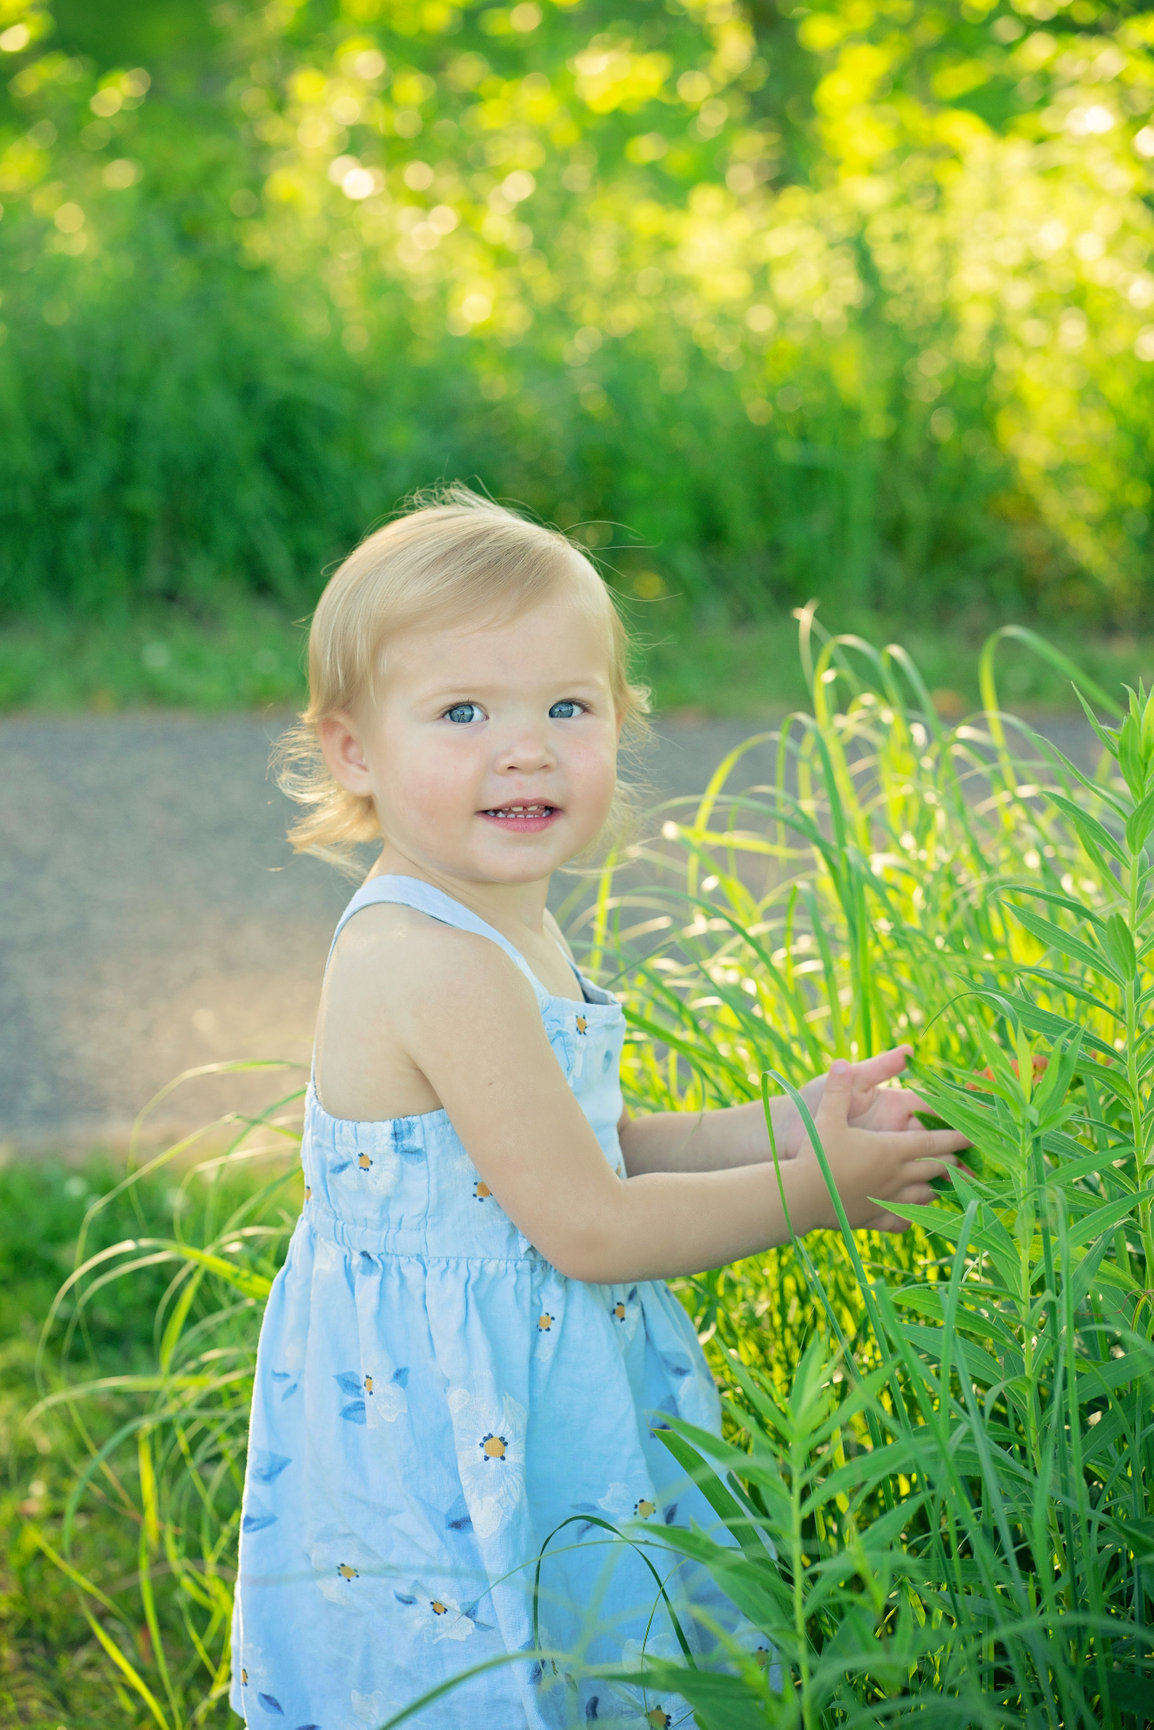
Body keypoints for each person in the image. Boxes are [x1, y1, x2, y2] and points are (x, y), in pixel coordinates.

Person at [230, 487, 967, 1730]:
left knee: (574, 1651)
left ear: (619, 722)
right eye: (463, 711)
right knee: (470, 1670)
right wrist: (818, 1192)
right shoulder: (431, 954)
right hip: (450, 1405)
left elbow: (586, 1147)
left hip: (522, 1375)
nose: (525, 748)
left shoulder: (500, 913)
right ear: (353, 748)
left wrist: (785, 1121)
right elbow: (589, 1225)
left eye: (566, 707)